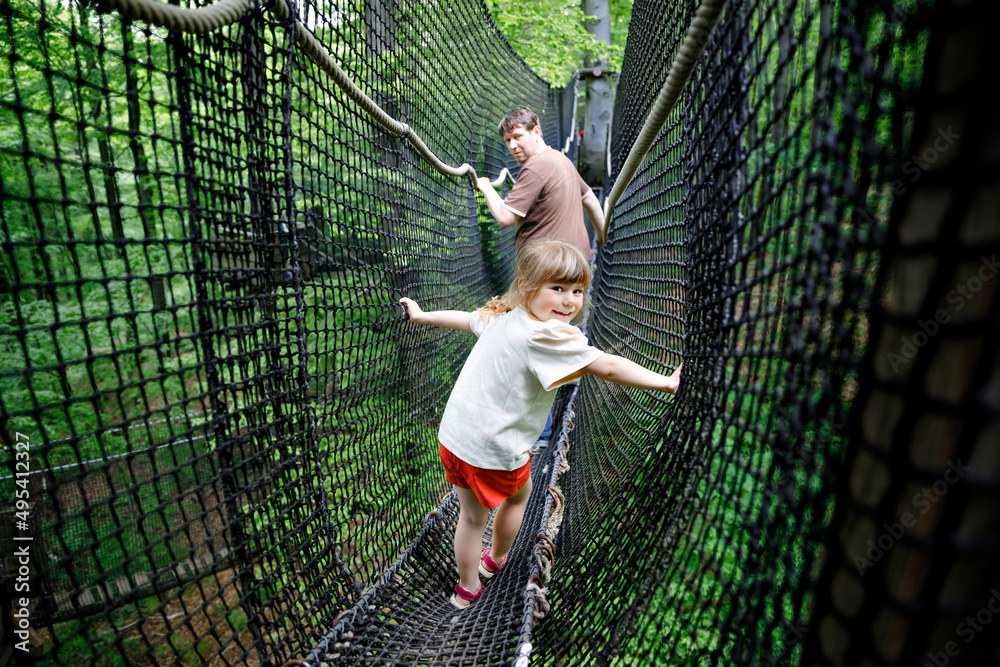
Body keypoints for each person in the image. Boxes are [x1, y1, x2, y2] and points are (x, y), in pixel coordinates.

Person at [399, 240, 682, 609]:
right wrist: (665, 381)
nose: (569, 301)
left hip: (453, 440)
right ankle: (493, 560)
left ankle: (464, 590)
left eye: (577, 291)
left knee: (469, 517)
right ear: (527, 287)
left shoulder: (503, 314)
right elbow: (607, 365)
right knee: (519, 495)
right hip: (491, 451)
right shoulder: (547, 335)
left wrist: (422, 315)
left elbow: (466, 318)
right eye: (558, 288)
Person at [475, 106, 608, 256]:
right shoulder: (562, 159)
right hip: (579, 265)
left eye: (518, 136)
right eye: (508, 140)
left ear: (536, 132)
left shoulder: (535, 166)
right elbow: (590, 199)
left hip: (549, 268)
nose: (512, 146)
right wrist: (603, 236)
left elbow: (505, 218)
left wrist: (486, 187)